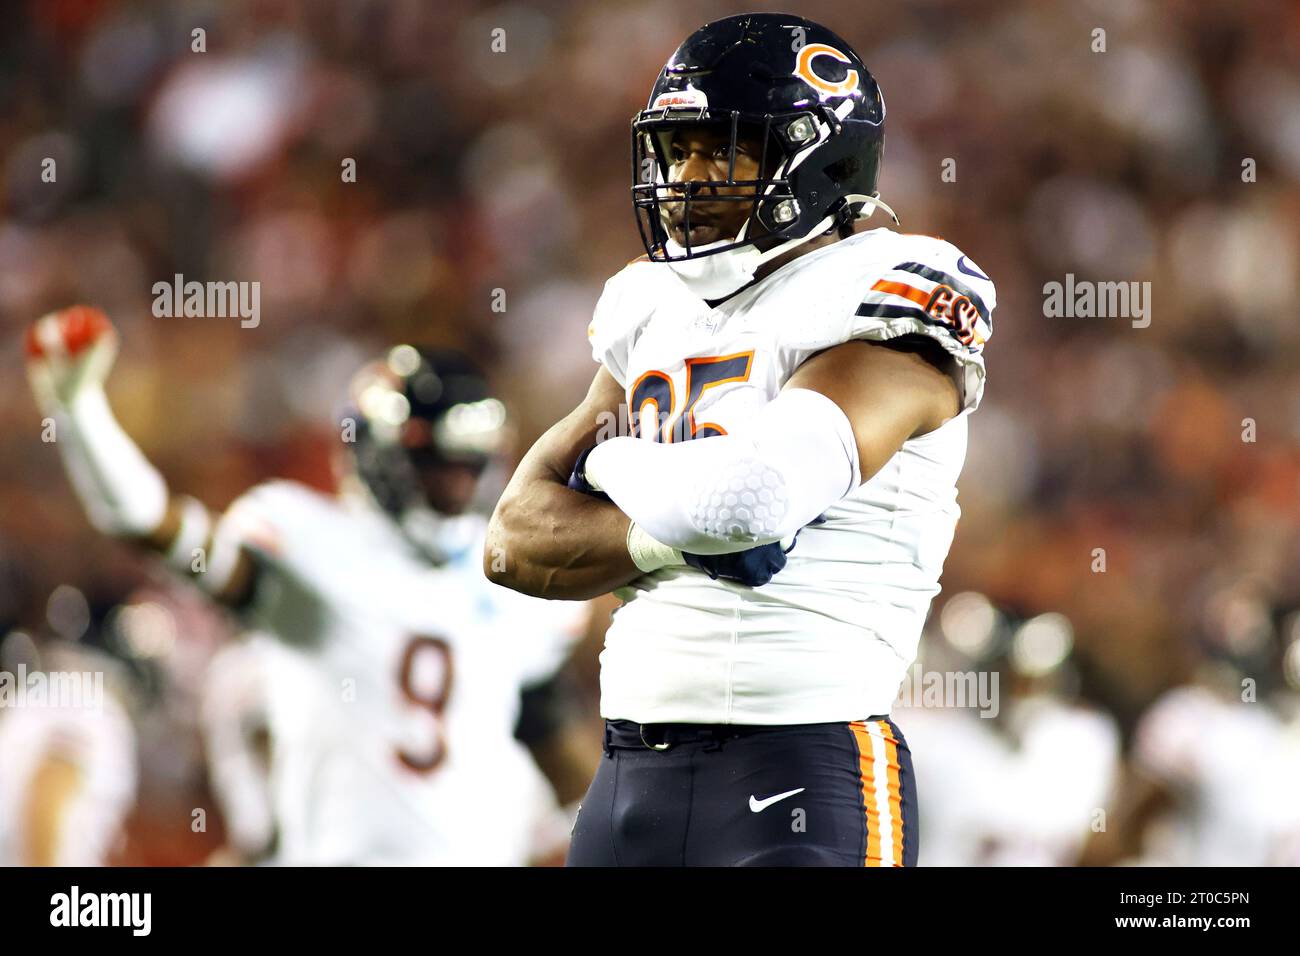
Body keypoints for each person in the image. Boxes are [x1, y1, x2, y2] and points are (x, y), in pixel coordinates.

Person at [486, 12, 996, 866]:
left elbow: (752, 502)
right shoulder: (651, 304)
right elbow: (513, 543)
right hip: (626, 780)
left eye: (720, 149)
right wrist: (657, 538)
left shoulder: (886, 289)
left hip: (802, 759)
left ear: (815, 156)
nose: (686, 177)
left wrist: (616, 463)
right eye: (676, 150)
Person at [26, 306, 589, 865]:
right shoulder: (311, 545)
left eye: (466, 467)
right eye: (434, 467)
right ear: (381, 458)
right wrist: (80, 414)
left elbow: (553, 742)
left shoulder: (512, 580)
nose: (455, 486)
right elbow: (151, 524)